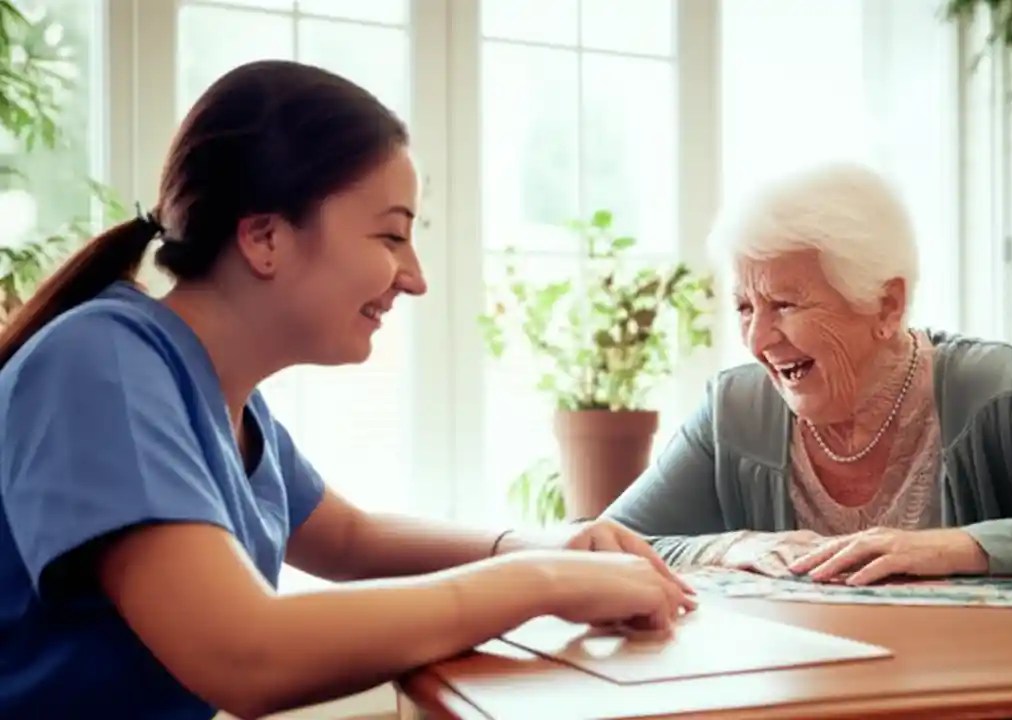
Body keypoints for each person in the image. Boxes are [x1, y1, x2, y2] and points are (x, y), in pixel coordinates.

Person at [0, 60, 693, 720]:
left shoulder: (224, 398)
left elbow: (349, 539)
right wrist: (545, 585)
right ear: (265, 236)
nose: (415, 276)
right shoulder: (101, 365)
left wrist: (545, 547)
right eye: (392, 235)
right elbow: (246, 655)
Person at [603, 161, 1012, 586]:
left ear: (887, 305)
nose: (759, 340)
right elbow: (598, 545)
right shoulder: (735, 409)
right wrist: (730, 546)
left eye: (785, 304)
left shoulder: (987, 389)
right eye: (745, 306)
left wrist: (956, 547)